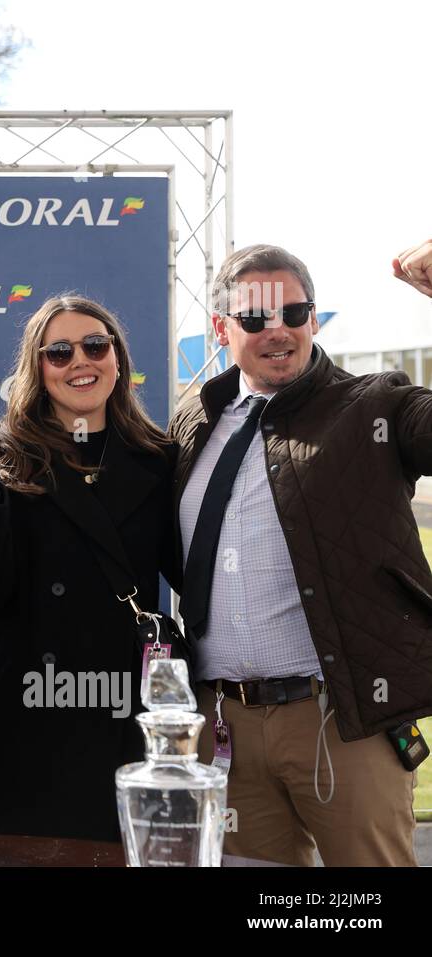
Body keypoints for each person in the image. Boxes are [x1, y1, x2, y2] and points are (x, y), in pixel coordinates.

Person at [174, 242, 432, 866]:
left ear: (314, 318)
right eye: (256, 318)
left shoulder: (374, 403)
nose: (279, 331)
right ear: (221, 328)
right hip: (223, 727)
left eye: (295, 313)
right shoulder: (193, 420)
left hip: (339, 721)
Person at [0, 295, 178, 842]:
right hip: (18, 709)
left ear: (117, 359)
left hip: (120, 704)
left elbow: (196, 571)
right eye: (59, 351)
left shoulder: (158, 457)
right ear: (38, 366)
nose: (81, 361)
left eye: (95, 345)